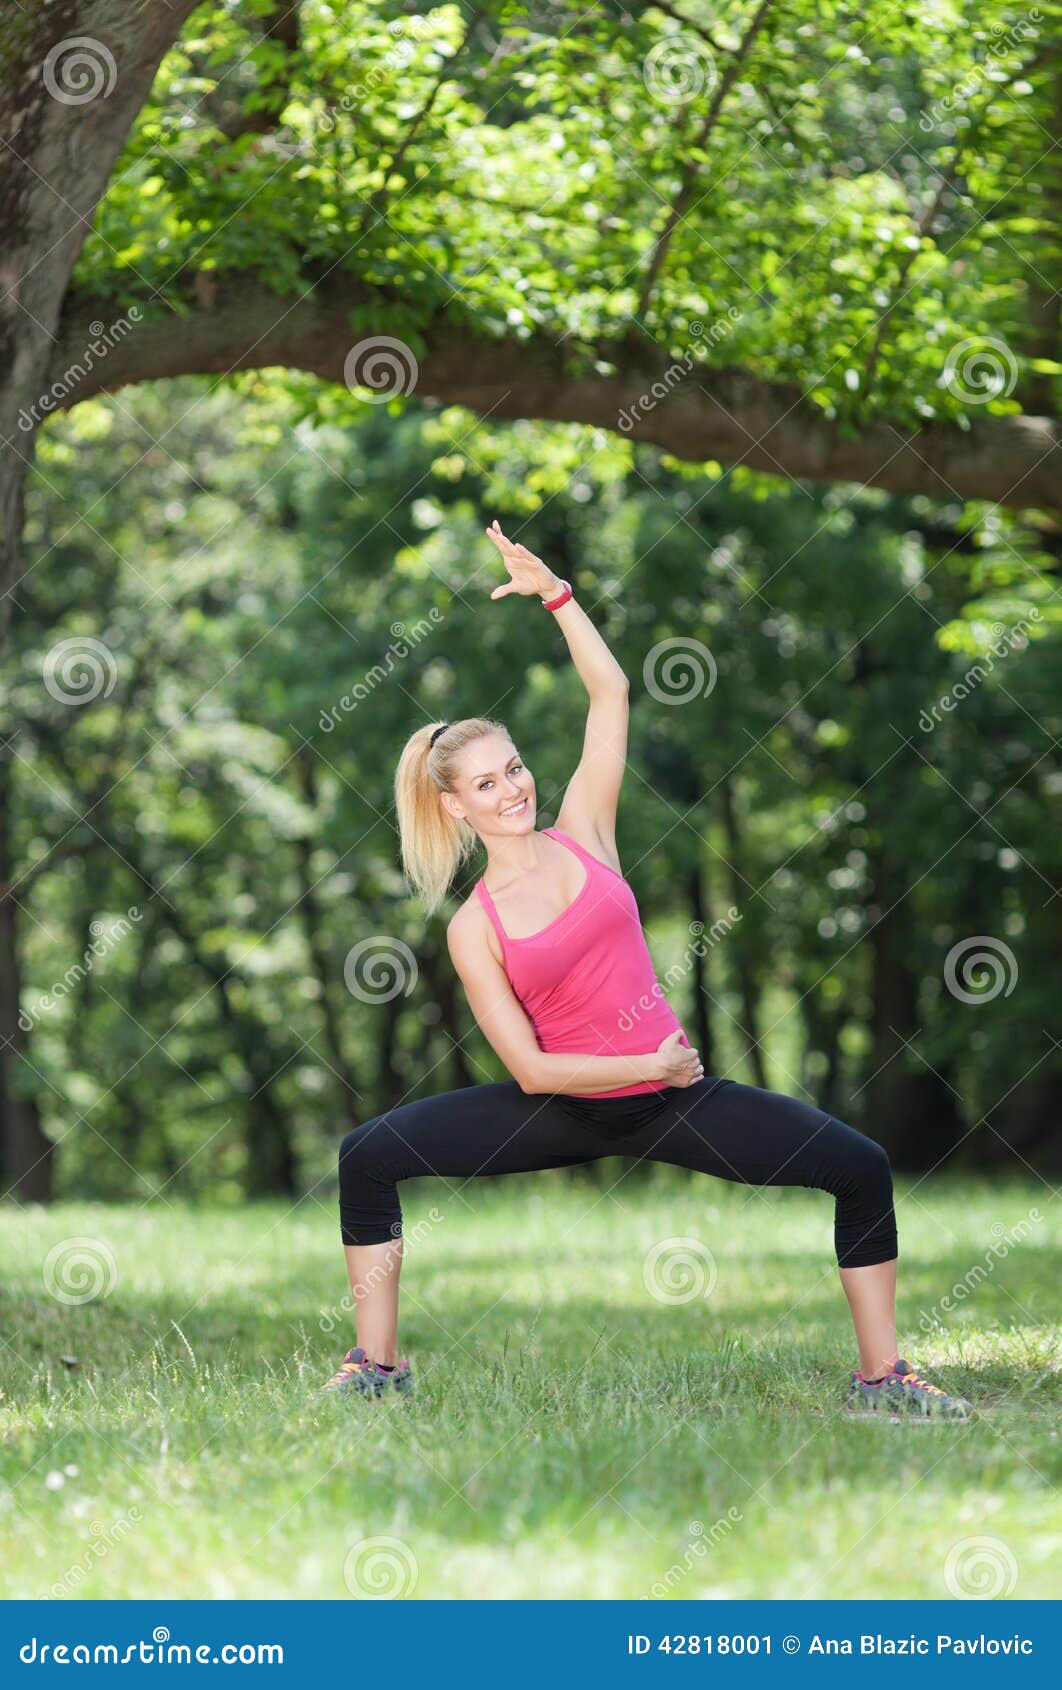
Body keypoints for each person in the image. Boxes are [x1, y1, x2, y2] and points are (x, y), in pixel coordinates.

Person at [322, 520, 971, 1422]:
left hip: (672, 1102)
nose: (512, 790)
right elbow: (533, 1072)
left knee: (859, 1165)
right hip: (565, 1105)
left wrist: (558, 595)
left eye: (513, 769)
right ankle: (377, 1364)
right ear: (452, 806)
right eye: (485, 785)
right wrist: (651, 1065)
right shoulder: (475, 929)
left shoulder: (586, 832)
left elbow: (611, 694)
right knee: (368, 1156)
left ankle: (882, 1378)